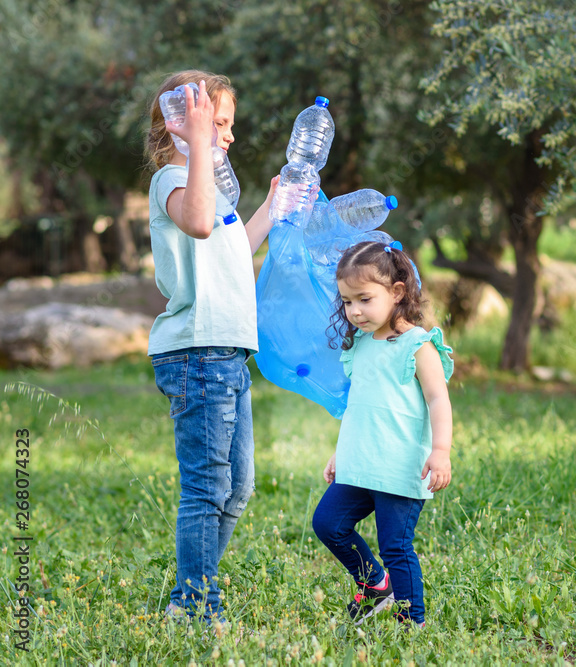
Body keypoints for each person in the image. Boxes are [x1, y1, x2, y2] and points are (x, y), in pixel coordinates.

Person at [145, 69, 278, 626]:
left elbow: (230, 249)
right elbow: (198, 224)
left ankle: (186, 593)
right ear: (181, 124)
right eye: (217, 123)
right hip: (197, 352)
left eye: (227, 126)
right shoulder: (173, 181)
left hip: (227, 353)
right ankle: (197, 606)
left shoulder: (212, 189)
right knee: (206, 486)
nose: (227, 137)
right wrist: (199, 145)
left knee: (237, 487)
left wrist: (271, 207)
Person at [312, 241, 454, 628]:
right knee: (328, 523)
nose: (354, 311)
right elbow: (360, 405)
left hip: (400, 468)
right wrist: (342, 452)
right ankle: (375, 583)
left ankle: (413, 622)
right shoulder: (358, 344)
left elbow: (438, 400)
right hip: (361, 462)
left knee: (396, 546)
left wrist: (441, 450)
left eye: (364, 299)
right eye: (346, 302)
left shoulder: (417, 345)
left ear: (396, 292)